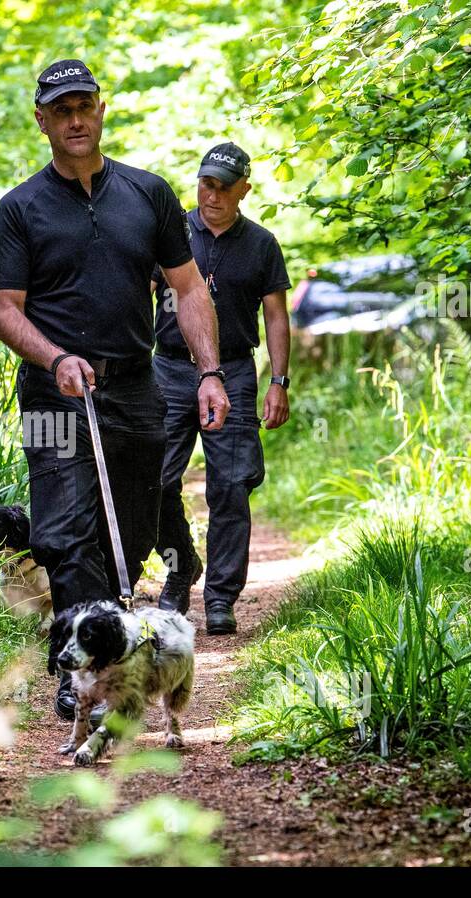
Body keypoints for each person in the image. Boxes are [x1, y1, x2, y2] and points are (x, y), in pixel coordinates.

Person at [0, 60, 230, 719]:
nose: (75, 119)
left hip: (133, 388)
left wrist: (209, 371)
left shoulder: (149, 195)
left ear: (100, 109)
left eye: (83, 106)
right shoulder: (19, 209)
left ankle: (98, 641)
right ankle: (83, 674)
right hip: (51, 394)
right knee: (66, 532)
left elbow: (188, 289)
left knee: (136, 523)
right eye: (60, 110)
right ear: (41, 120)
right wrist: (55, 355)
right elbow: (5, 310)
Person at [152, 142, 292, 635]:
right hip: (168, 371)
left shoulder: (261, 244)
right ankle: (179, 567)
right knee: (155, 480)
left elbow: (276, 316)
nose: (212, 196)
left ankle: (220, 598)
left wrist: (278, 381)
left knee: (230, 486)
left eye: (223, 187)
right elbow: (135, 296)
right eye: (205, 184)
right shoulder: (169, 232)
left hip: (233, 369)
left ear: (244, 191)